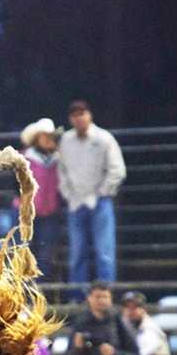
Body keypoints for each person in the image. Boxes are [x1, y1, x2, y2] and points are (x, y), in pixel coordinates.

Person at [58, 100, 126, 295]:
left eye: (82, 113)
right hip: (76, 202)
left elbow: (117, 170)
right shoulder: (66, 141)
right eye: (75, 114)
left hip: (100, 201)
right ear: (71, 119)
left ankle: (105, 297)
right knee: (77, 254)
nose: (79, 118)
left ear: (89, 115)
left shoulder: (104, 138)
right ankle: (78, 299)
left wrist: (103, 192)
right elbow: (62, 172)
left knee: (104, 253)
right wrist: (69, 195)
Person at [17, 118, 63, 280]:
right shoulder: (24, 158)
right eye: (45, 136)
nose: (48, 139)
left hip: (49, 211)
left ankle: (40, 287)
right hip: (25, 211)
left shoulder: (58, 159)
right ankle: (23, 286)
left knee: (46, 252)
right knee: (23, 249)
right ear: (37, 138)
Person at [120, 291, 171, 355]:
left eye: (135, 307)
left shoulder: (150, 328)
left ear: (143, 309)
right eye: (127, 307)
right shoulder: (126, 323)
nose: (130, 311)